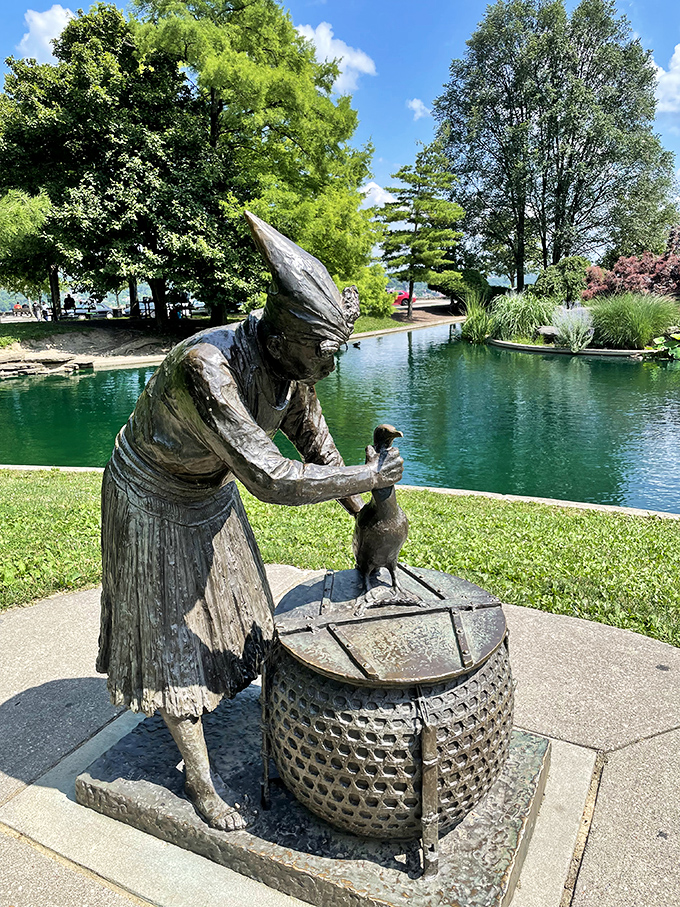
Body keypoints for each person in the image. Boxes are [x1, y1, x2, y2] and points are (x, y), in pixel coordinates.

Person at [96, 212, 403, 831]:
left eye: (335, 354)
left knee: (244, 610)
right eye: (323, 353)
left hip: (209, 486)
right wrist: (371, 481)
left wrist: (367, 512)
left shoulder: (291, 371)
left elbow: (316, 448)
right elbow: (271, 479)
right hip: (150, 493)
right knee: (173, 638)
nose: (330, 367)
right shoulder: (208, 367)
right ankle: (200, 782)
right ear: (285, 333)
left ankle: (256, 714)